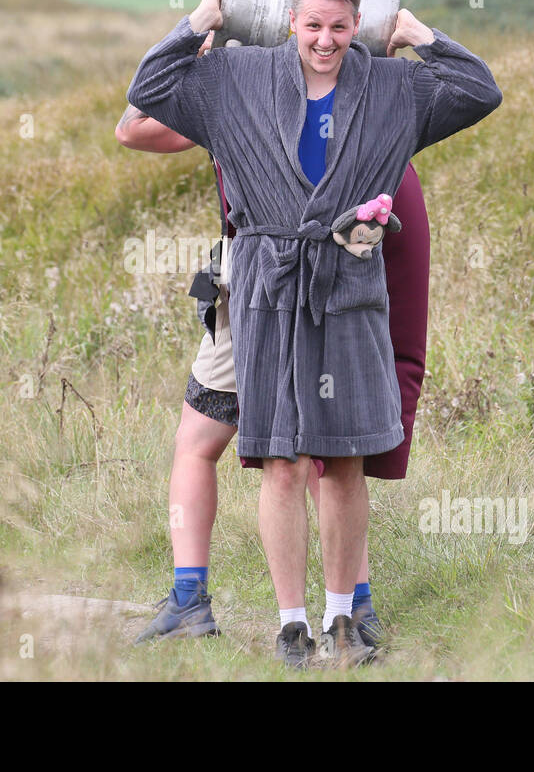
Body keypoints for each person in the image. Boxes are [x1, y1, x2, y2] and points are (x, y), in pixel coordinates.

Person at [126, 0, 501, 667]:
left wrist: (423, 35)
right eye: (312, 26)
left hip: (349, 284)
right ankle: (290, 623)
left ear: (356, 26)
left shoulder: (394, 86)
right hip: (269, 288)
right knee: (281, 463)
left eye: (337, 27)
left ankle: (344, 620)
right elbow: (144, 94)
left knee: (346, 460)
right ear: (290, 23)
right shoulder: (236, 80)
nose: (324, 41)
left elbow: (481, 90)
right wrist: (196, 24)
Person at [118, 77, 432, 654]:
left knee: (218, 444)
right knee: (326, 455)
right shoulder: (362, 93)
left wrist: (193, 45)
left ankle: (198, 602)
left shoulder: (236, 88)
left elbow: (132, 126)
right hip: (307, 285)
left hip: (263, 283)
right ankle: (352, 612)